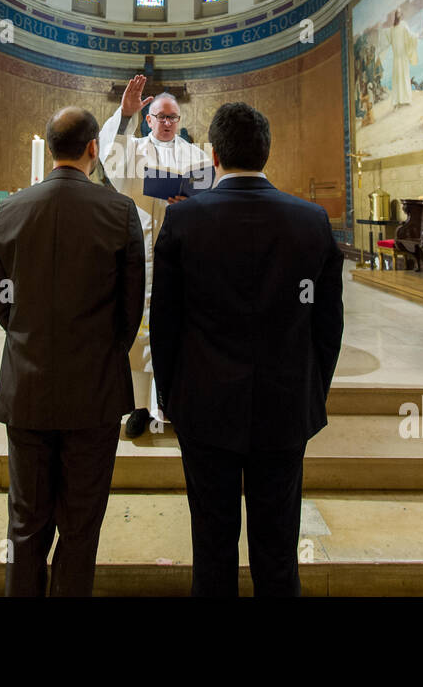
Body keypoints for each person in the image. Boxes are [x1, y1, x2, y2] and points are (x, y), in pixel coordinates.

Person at [150, 102, 343, 597]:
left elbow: (165, 323)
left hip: (204, 404)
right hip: (284, 405)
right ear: (267, 151)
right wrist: (310, 391)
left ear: (212, 155)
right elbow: (327, 325)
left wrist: (173, 398)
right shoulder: (312, 220)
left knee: (211, 546)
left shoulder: (183, 221)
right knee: (279, 551)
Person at [0, 107, 144, 597]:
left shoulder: (11, 209)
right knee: (81, 526)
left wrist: (30, 336)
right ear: (94, 148)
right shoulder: (119, 212)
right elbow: (130, 309)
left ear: (51, 149)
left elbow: (2, 298)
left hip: (27, 387)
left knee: (25, 524)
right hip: (93, 392)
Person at [97, 76, 212, 438]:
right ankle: (139, 408)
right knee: (137, 330)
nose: (167, 123)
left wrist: (192, 202)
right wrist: (125, 114)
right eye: (161, 116)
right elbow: (107, 157)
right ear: (149, 119)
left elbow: (209, 200)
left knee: (177, 327)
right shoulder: (132, 148)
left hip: (182, 256)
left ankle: (169, 401)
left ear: (179, 120)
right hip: (140, 253)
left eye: (173, 117)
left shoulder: (196, 155)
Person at [386, 9, 418, 107]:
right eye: (397, 13)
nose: (399, 15)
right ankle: (398, 100)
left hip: (402, 56)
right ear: (396, 15)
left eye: (400, 13)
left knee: (404, 76)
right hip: (397, 58)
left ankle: (406, 99)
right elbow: (389, 40)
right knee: (398, 78)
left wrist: (415, 36)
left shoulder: (403, 25)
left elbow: (409, 35)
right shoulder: (392, 28)